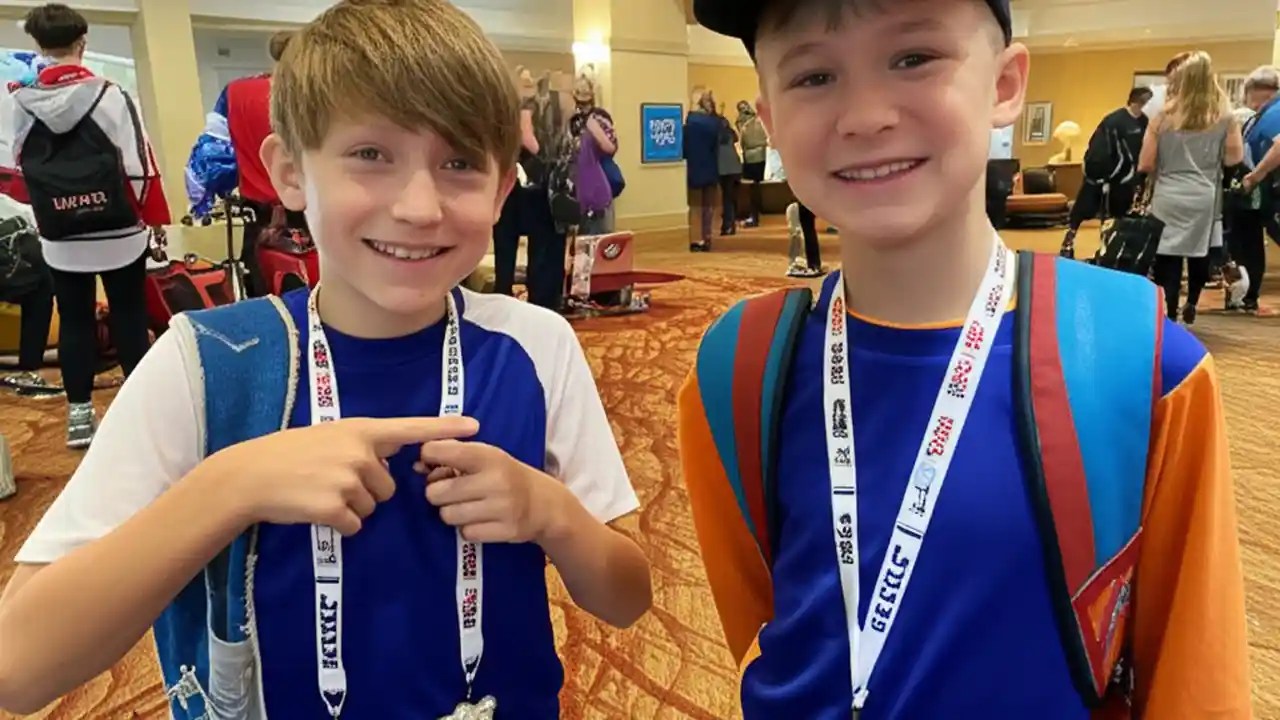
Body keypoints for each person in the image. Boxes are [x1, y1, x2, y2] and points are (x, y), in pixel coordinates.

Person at [0, 2, 652, 718]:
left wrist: (551, 513)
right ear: (289, 172)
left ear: (502, 190)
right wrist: (230, 486)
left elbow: (626, 598)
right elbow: (18, 669)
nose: (418, 206)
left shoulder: (536, 344)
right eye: (370, 155)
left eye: (459, 163)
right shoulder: (207, 364)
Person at [680, 0, 1250, 717]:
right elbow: (762, 621)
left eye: (913, 59)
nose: (864, 115)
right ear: (768, 115)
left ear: (1006, 85)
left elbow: (1197, 684)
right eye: (815, 76)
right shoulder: (738, 368)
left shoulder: (1142, 362)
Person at [0, 3, 168, 448]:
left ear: (39, 46)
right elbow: (138, 163)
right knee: (129, 316)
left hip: (61, 235)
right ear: (83, 42)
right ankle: (138, 413)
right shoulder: (111, 94)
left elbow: (18, 165)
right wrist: (154, 218)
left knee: (74, 321)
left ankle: (78, 417)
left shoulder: (22, 101)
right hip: (119, 231)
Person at [188, 30, 308, 298]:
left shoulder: (235, 93)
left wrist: (208, 195)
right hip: (312, 215)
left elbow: (211, 155)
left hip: (259, 220)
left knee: (265, 298)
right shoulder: (315, 91)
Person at [1140, 51, 1244, 325]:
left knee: (1167, 258)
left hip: (1168, 194)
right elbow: (1234, 158)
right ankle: (1193, 302)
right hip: (1203, 195)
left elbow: (1146, 163)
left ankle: (1170, 316)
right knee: (1199, 252)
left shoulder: (1162, 117)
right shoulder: (1224, 118)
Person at [1059, 86, 1152, 258]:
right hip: (1103, 176)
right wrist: (1101, 175)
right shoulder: (1113, 121)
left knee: (1119, 215)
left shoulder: (1145, 122)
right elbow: (1099, 149)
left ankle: (1111, 248)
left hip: (1127, 178)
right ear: (1137, 101)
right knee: (1083, 209)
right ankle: (1069, 241)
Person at [1236, 65, 1280, 313]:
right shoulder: (1264, 114)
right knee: (1251, 243)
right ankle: (1248, 294)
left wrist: (1255, 176)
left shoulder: (1275, 111)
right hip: (1262, 194)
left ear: (1260, 90)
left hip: (1273, 190)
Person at [685, 88, 722, 252]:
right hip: (711, 166)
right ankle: (707, 238)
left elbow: (684, 147)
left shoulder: (690, 122)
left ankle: (695, 239)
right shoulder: (714, 123)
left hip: (693, 166)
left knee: (695, 207)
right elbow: (717, 145)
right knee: (708, 207)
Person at [736, 101, 769, 227]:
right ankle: (757, 213)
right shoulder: (761, 123)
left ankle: (753, 215)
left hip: (750, 159)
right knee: (757, 188)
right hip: (763, 157)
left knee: (752, 189)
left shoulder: (744, 126)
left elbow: (743, 144)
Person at [717, 109, 743, 235]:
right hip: (735, 169)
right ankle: (731, 224)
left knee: (725, 198)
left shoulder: (716, 135)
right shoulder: (731, 133)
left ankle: (727, 224)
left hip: (723, 170)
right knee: (731, 198)